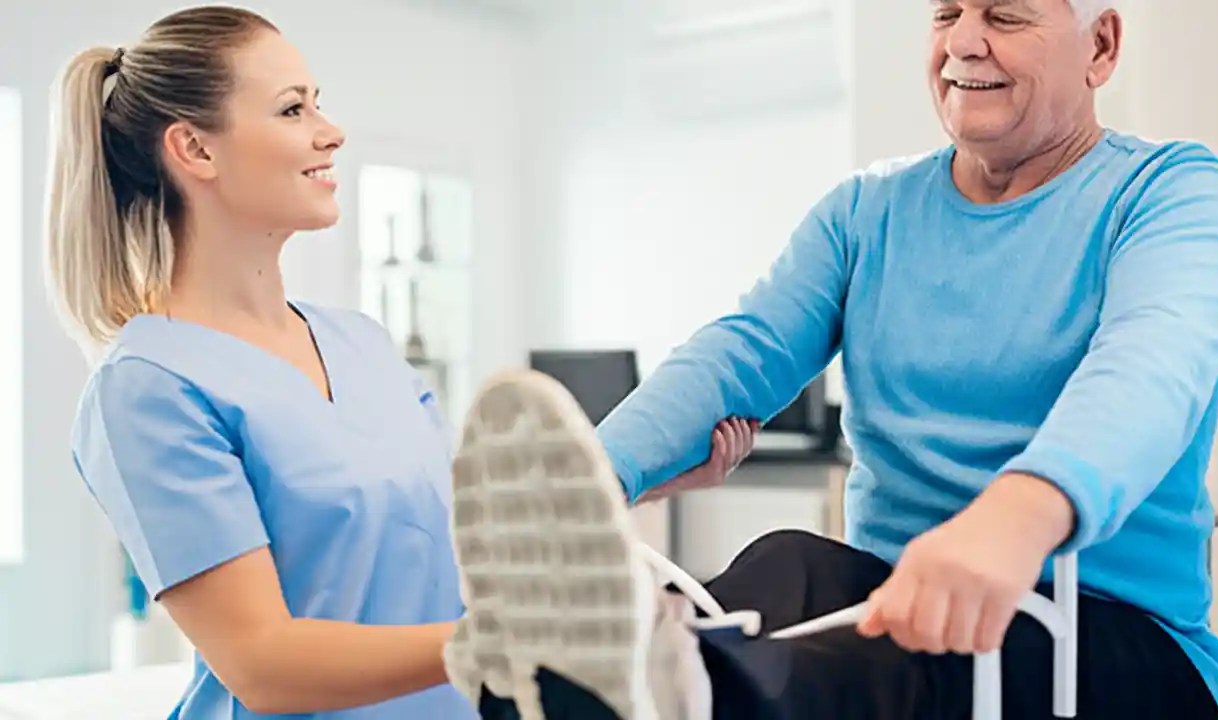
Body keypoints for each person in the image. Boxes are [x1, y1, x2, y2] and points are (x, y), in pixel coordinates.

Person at [441, 0, 1218, 718]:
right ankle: (614, 678)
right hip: (894, 604)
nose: (964, 40)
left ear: (1099, 46)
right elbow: (740, 353)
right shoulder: (867, 212)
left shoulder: (1169, 192)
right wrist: (595, 484)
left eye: (1004, 15)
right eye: (946, 13)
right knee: (787, 561)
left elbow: (1149, 370)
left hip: (1111, 632)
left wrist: (1014, 520)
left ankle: (685, 692)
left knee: (886, 662)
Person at [45, 7, 753, 719]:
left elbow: (459, 535)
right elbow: (262, 663)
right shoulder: (148, 386)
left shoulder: (361, 345)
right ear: (195, 150)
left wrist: (634, 483)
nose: (332, 130)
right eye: (293, 109)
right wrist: (504, 641)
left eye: (317, 102)